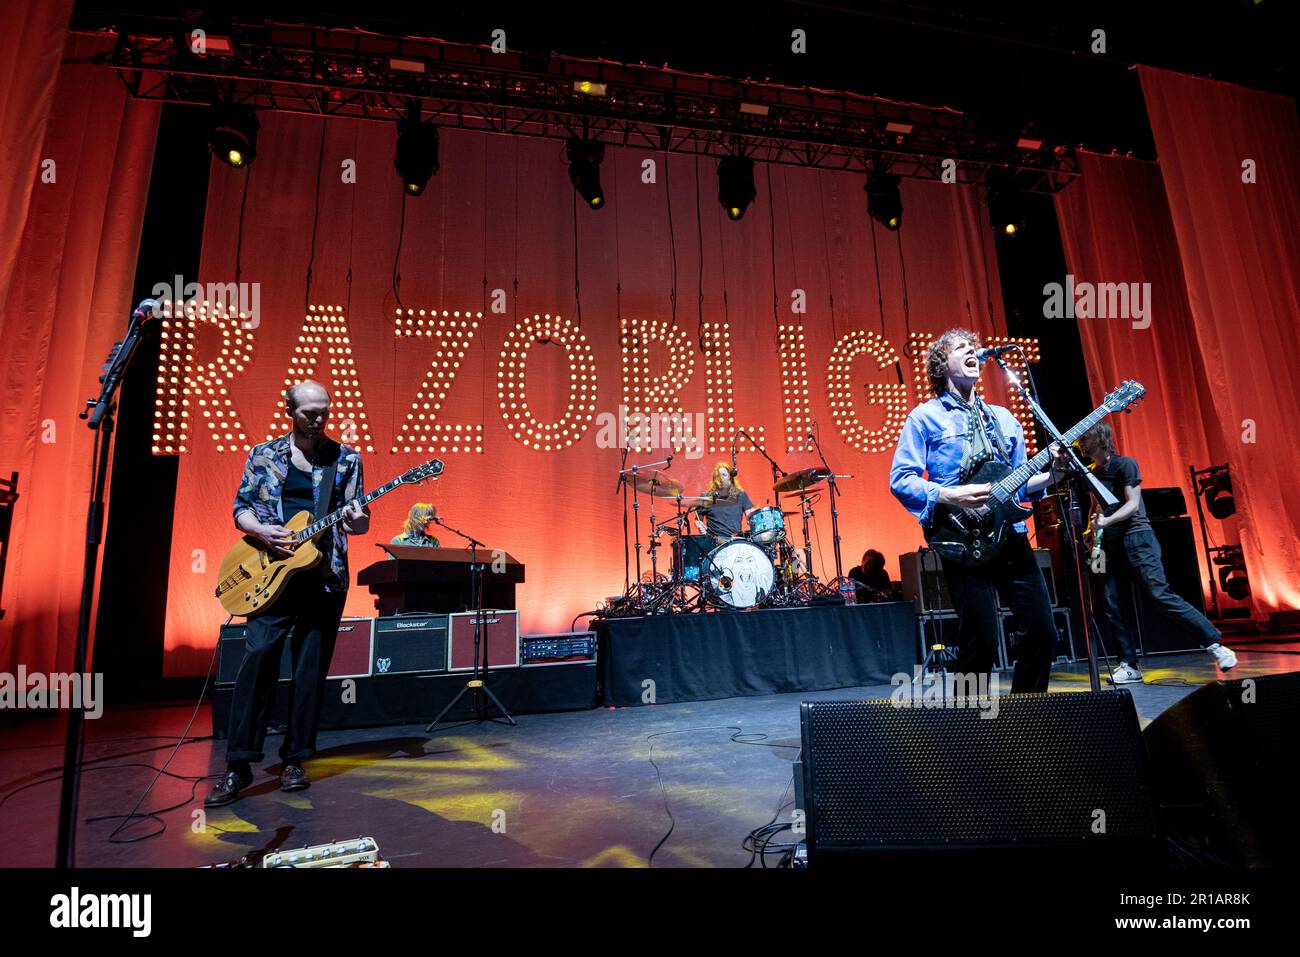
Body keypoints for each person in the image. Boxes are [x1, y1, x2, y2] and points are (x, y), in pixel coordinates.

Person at [206, 380, 369, 808]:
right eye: (309, 413)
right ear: (290, 412)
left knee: (309, 672)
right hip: (269, 578)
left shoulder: (346, 459)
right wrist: (261, 531)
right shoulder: (263, 455)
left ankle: (295, 758)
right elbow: (241, 508)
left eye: (324, 413)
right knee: (258, 661)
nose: (318, 420)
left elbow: (359, 521)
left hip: (323, 579)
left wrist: (356, 520)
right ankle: (238, 766)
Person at [889, 328, 1065, 694]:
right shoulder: (925, 418)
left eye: (973, 347)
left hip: (1010, 539)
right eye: (960, 348)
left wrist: (1054, 474)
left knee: (1043, 632)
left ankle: (1024, 717)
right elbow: (901, 480)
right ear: (941, 366)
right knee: (981, 638)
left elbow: (1016, 484)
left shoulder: (1003, 419)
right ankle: (970, 727)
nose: (972, 350)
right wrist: (952, 496)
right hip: (961, 539)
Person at [1078, 422, 1237, 683]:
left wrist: (1106, 522)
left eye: (1085, 437)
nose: (1081, 442)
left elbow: (1132, 505)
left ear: (1100, 438)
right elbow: (1095, 507)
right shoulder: (1091, 473)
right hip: (1108, 545)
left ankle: (1216, 645)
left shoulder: (1125, 464)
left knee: (1159, 595)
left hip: (1136, 538)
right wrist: (1090, 531)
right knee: (1112, 604)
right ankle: (1129, 665)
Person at [694, 462, 761, 542]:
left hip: (736, 540)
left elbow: (750, 516)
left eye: (724, 475)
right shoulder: (706, 497)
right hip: (715, 541)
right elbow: (698, 519)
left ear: (730, 477)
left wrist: (755, 514)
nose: (721, 478)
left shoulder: (740, 495)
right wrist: (700, 527)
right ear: (715, 479)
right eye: (718, 476)